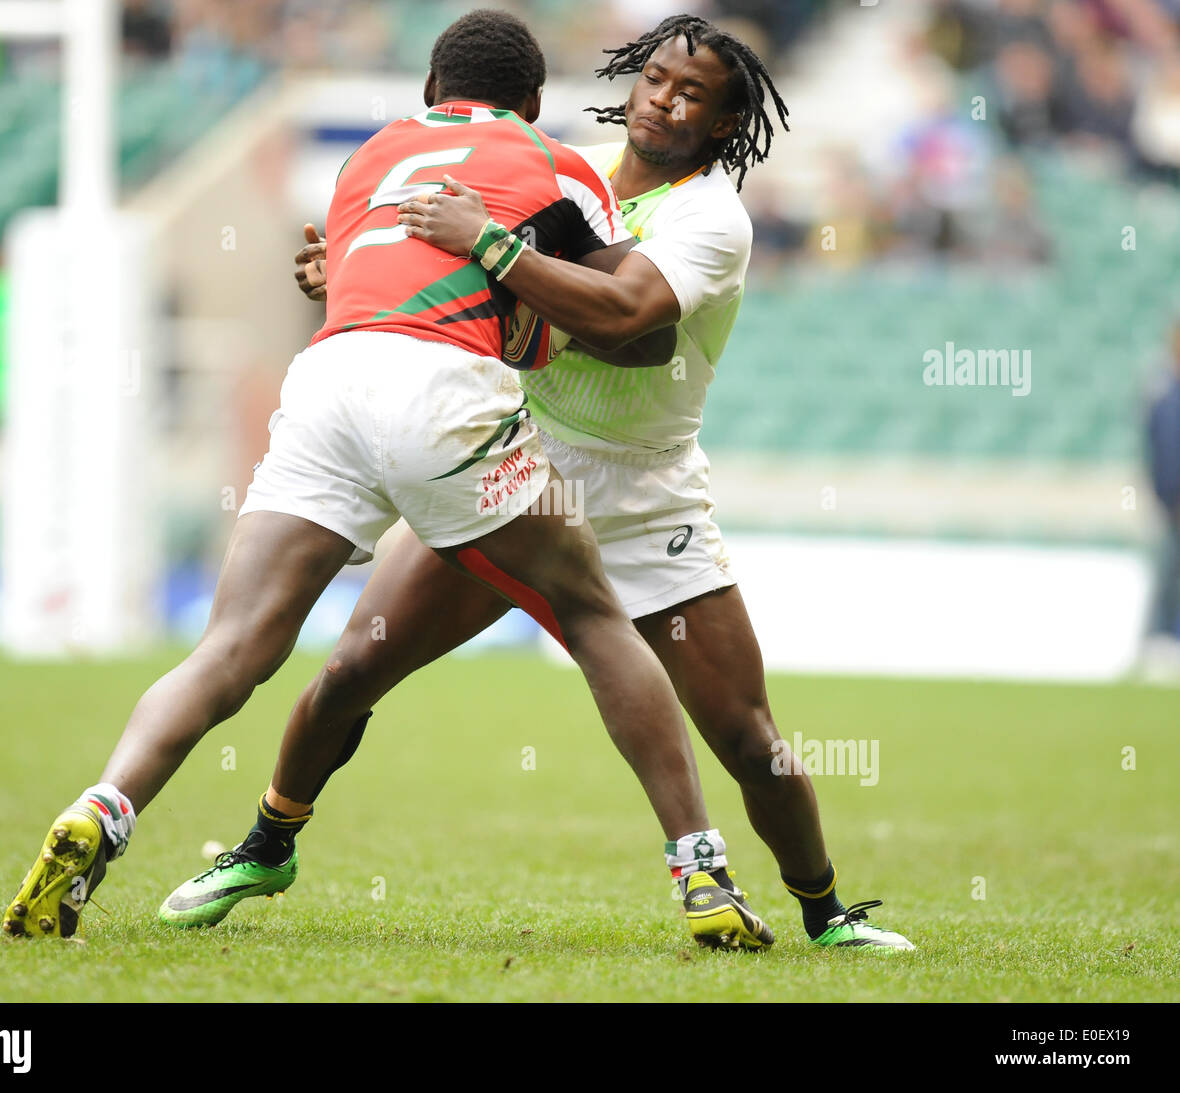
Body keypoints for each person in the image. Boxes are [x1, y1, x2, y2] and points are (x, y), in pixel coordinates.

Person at [3, 9, 768, 951]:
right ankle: (701, 871)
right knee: (596, 617)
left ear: (427, 93)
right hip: (439, 393)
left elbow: (364, 266)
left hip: (326, 382)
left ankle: (103, 805)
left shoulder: (367, 158)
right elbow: (633, 324)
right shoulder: (558, 165)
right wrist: (508, 271)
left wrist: (356, 267)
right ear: (532, 103)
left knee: (232, 647)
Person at [165, 14, 913, 951]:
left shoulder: (711, 215)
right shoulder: (570, 166)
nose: (665, 100)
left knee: (747, 736)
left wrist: (494, 245)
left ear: (725, 126)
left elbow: (630, 318)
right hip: (520, 457)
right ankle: (267, 842)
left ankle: (825, 912)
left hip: (645, 493)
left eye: (694, 95)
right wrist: (348, 274)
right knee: (355, 666)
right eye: (657, 79)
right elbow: (441, 269)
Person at [1146, 320, 1180, 644]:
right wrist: (1168, 499)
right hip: (1172, 507)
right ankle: (1159, 640)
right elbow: (1161, 453)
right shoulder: (1165, 394)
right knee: (1168, 575)